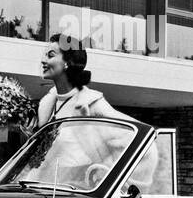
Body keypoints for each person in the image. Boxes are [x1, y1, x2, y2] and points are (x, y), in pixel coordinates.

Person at [36, 37, 159, 188]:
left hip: (76, 195)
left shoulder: (91, 104)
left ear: (67, 62)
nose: (43, 60)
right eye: (44, 55)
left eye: (50, 55)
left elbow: (142, 139)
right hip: (44, 189)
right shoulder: (47, 104)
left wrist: (108, 179)